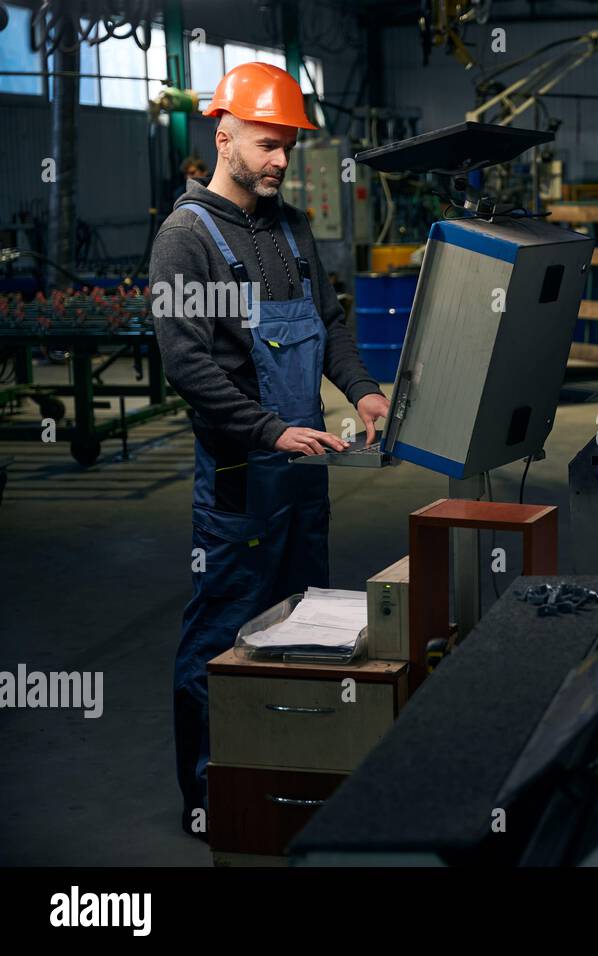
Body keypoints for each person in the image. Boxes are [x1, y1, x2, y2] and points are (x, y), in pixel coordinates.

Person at [149, 61, 390, 838]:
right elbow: (185, 365)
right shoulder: (187, 239)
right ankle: (206, 794)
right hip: (240, 483)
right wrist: (267, 431)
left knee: (306, 635)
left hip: (303, 479)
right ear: (224, 137)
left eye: (287, 145)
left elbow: (333, 324)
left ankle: (289, 785)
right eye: (267, 144)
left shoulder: (290, 229)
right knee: (222, 638)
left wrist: (362, 391)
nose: (282, 160)